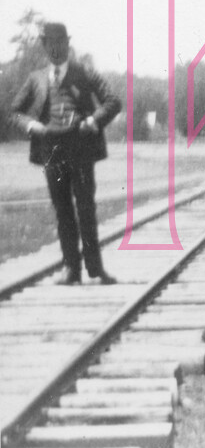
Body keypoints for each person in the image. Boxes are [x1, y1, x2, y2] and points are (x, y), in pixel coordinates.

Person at [8, 21, 122, 285]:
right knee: (62, 212)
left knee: (85, 210)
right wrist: (32, 125)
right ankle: (72, 270)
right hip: (51, 151)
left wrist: (93, 121)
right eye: (51, 44)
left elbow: (113, 101)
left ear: (68, 45)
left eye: (61, 43)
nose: (56, 49)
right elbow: (15, 111)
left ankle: (95, 270)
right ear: (44, 46)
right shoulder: (36, 78)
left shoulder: (84, 73)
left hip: (81, 150)